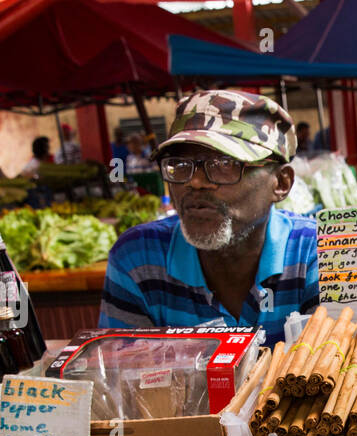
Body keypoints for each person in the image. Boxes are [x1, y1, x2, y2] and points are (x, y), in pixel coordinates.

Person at [99, 90, 317, 345]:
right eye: (179, 165)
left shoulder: (316, 253)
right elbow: (122, 375)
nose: (195, 182)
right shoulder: (139, 258)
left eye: (224, 164)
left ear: (281, 182)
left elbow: (339, 374)